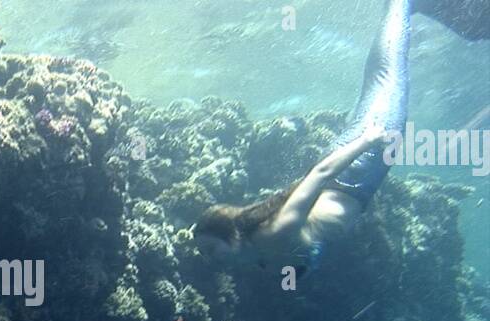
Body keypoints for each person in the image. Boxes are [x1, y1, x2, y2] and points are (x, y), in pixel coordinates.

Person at [196, 0, 485, 274]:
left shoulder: (276, 232)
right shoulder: (259, 255)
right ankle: (409, 7)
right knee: (381, 81)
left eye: (210, 249)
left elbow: (320, 173)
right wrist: (307, 263)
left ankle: (403, 3)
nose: (210, 260)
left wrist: (368, 140)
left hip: (360, 167)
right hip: (356, 177)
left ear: (230, 233)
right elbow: (312, 245)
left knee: (387, 77)